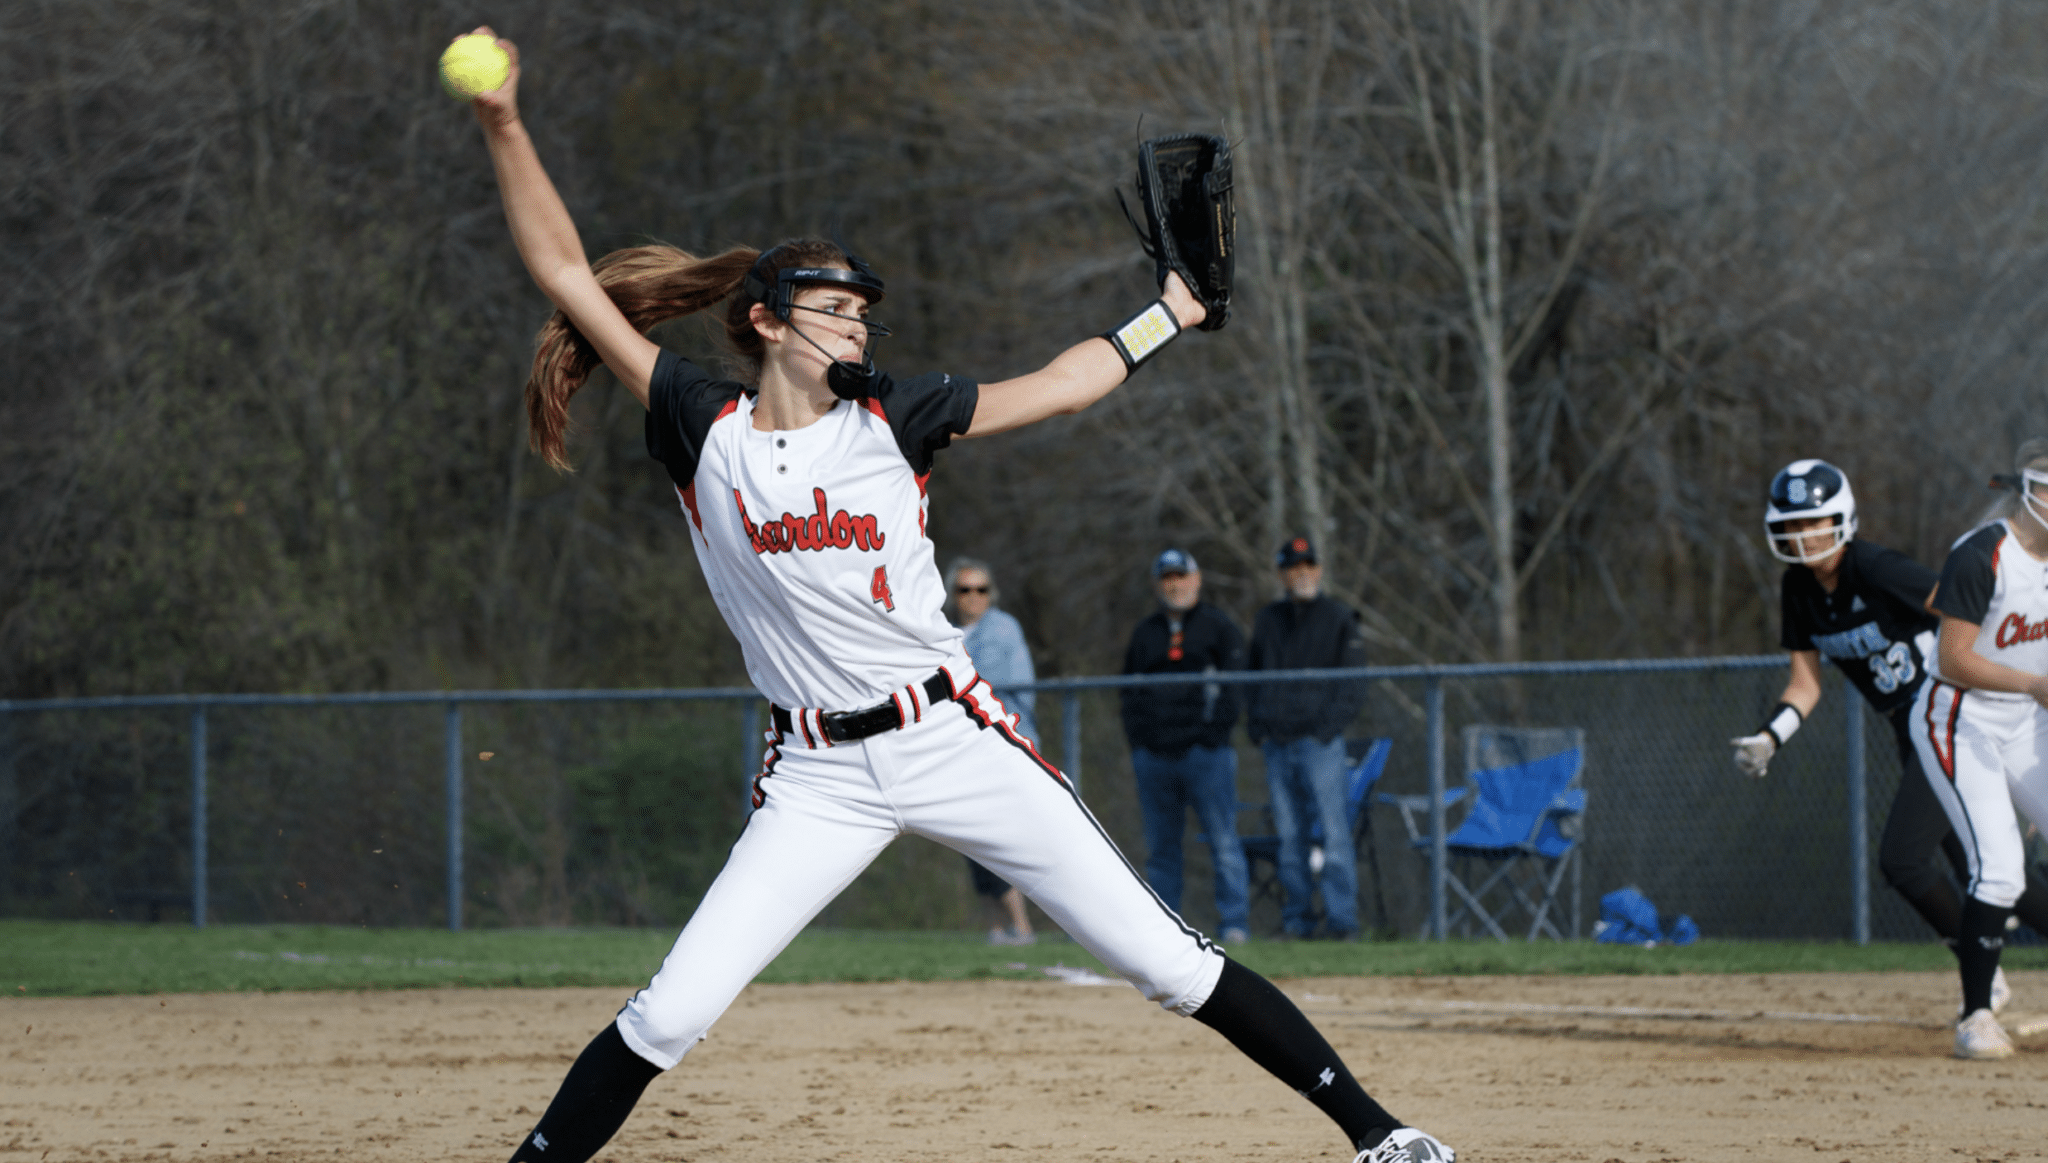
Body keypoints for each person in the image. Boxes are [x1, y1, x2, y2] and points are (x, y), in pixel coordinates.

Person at [460, 27, 1454, 1163]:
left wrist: (1167, 314)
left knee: (1166, 960)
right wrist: (503, 122)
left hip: (952, 732)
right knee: (671, 1011)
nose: (856, 325)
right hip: (817, 776)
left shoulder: (899, 414)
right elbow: (564, 274)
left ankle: (1380, 1134)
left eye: (863, 312)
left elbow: (1064, 385)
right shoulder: (702, 425)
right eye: (832, 308)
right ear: (765, 321)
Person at [1730, 459, 2048, 1028]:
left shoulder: (1875, 567)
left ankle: (1985, 983)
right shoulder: (1798, 589)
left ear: (1843, 519)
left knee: (1906, 860)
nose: (1806, 536)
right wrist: (1769, 737)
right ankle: (1985, 974)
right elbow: (1806, 683)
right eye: (1795, 525)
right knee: (1998, 880)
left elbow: (1963, 608)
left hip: (1948, 717)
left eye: (1818, 522)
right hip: (1912, 734)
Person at [1909, 440, 2048, 1060]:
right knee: (2000, 865)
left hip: (2028, 719)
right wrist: (2033, 684)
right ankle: (1976, 1017)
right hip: (1960, 720)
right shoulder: (1983, 551)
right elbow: (1953, 658)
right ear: (2030, 491)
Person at [1120, 548, 1251, 944]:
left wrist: (1212, 736)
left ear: (1197, 579)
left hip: (1205, 755)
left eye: (1181, 576)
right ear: (1158, 584)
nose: (1175, 584)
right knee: (1161, 848)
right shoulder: (1145, 634)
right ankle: (1166, 928)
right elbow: (1128, 695)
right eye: (1167, 578)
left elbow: (1234, 689)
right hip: (1155, 757)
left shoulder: (1218, 627)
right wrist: (1141, 743)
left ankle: (1234, 924)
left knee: (1223, 840)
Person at [1247, 537, 1369, 940]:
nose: (1302, 573)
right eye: (1293, 567)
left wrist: (1324, 731)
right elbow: (1249, 676)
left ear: (1318, 570)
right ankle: (1297, 921)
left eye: (1308, 565)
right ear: (1282, 575)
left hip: (1320, 746)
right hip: (1278, 745)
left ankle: (1342, 923)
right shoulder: (1269, 620)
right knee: (1289, 839)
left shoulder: (1338, 617)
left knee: (1334, 835)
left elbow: (1353, 685)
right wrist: (1259, 728)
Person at [945, 556, 1037, 946]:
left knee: (1000, 839)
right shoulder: (941, 631)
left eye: (981, 589)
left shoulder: (1004, 629)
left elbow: (1018, 690)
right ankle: (996, 929)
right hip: (954, 750)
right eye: (965, 589)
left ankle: (1023, 927)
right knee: (970, 839)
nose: (973, 597)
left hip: (998, 745)